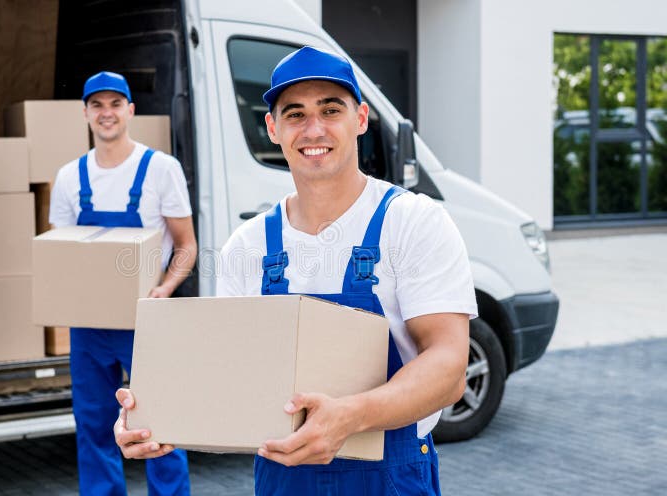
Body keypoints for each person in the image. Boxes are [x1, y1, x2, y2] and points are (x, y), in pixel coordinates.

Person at [113, 47, 477, 494]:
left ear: (361, 119)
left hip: (390, 477)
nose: (314, 129)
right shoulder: (248, 245)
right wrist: (155, 417)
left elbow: (448, 367)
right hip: (282, 478)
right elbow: (229, 375)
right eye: (296, 114)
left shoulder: (412, 222)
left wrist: (351, 417)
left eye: (331, 110)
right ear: (273, 128)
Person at [50, 71, 195, 496]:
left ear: (130, 110)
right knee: (93, 424)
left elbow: (186, 246)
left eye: (115, 104)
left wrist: (165, 289)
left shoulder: (160, 169)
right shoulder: (69, 177)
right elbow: (63, 252)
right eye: (97, 105)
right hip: (89, 325)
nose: (106, 113)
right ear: (85, 113)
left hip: (146, 320)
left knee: (158, 425)